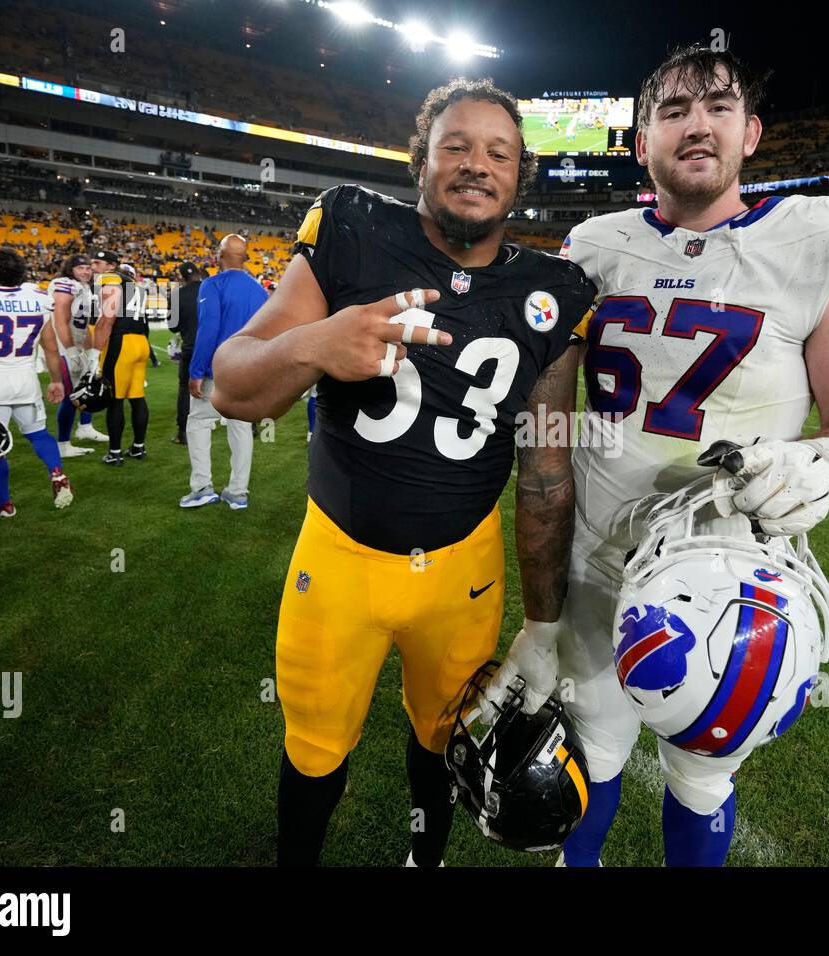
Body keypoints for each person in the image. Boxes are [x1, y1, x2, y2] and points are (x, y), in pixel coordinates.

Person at [209, 78, 596, 867]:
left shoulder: (551, 293)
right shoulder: (354, 231)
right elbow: (232, 383)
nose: (476, 165)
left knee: (442, 738)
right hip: (340, 553)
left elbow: (547, 470)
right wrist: (315, 345)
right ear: (419, 161)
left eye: (498, 152)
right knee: (315, 745)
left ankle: (427, 858)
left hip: (463, 571)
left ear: (518, 176)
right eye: (455, 146)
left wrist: (546, 623)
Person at [556, 46, 829, 867]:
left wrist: (824, 465)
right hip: (596, 557)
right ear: (641, 139)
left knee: (700, 778)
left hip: (727, 573)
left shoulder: (819, 239)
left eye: (717, 107)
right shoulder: (593, 247)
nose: (696, 124)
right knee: (592, 755)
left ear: (751, 133)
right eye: (673, 110)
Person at [0, 247, 74, 516]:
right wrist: (57, 380)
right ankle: (57, 473)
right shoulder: (38, 298)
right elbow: (51, 348)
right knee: (39, 434)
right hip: (26, 379)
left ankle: (4, 504)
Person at [180, 235, 266, 509]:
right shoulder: (260, 290)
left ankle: (202, 486)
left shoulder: (213, 284)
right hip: (249, 370)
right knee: (240, 428)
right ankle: (238, 492)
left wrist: (196, 371)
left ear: (222, 255)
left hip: (219, 370)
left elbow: (208, 331)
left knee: (198, 423)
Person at [90, 251, 150, 465]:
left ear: (111, 265)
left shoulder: (109, 278)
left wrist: (94, 354)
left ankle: (114, 453)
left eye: (97, 262)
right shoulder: (136, 286)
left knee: (114, 399)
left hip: (121, 344)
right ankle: (138, 448)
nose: (93, 267)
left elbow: (107, 320)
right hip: (140, 342)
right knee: (137, 397)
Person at [48, 254, 106, 456]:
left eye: (88, 268)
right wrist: (71, 350)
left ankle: (85, 427)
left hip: (77, 342)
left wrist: (91, 353)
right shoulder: (64, 284)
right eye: (80, 268)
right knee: (71, 396)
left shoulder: (86, 288)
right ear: (70, 269)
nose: (85, 271)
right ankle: (63, 445)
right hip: (62, 346)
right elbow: (60, 321)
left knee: (86, 387)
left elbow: (83, 327)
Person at [172, 261, 202, 445]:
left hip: (190, 347)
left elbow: (172, 326)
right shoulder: (212, 289)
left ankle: (183, 432)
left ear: (182, 277)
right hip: (216, 348)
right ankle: (250, 425)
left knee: (185, 388)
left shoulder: (177, 295)